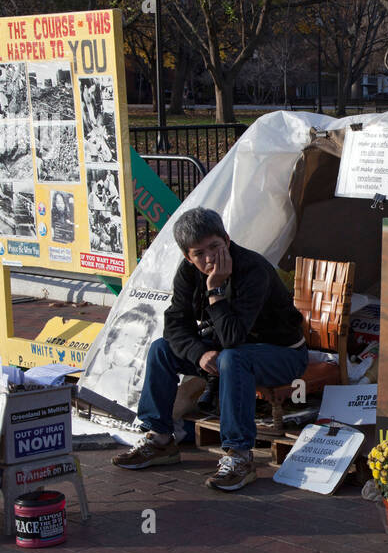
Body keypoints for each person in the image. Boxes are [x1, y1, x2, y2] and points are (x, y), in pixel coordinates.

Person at [112, 208, 308, 492]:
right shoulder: (188, 273)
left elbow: (233, 337)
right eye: (199, 253)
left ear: (227, 240)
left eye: (215, 246)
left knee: (232, 358)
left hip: (283, 354)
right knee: (161, 349)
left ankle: (239, 455)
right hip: (227, 353)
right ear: (187, 257)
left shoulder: (254, 270)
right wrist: (198, 354)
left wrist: (215, 291)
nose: (209, 258)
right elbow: (175, 325)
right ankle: (160, 438)